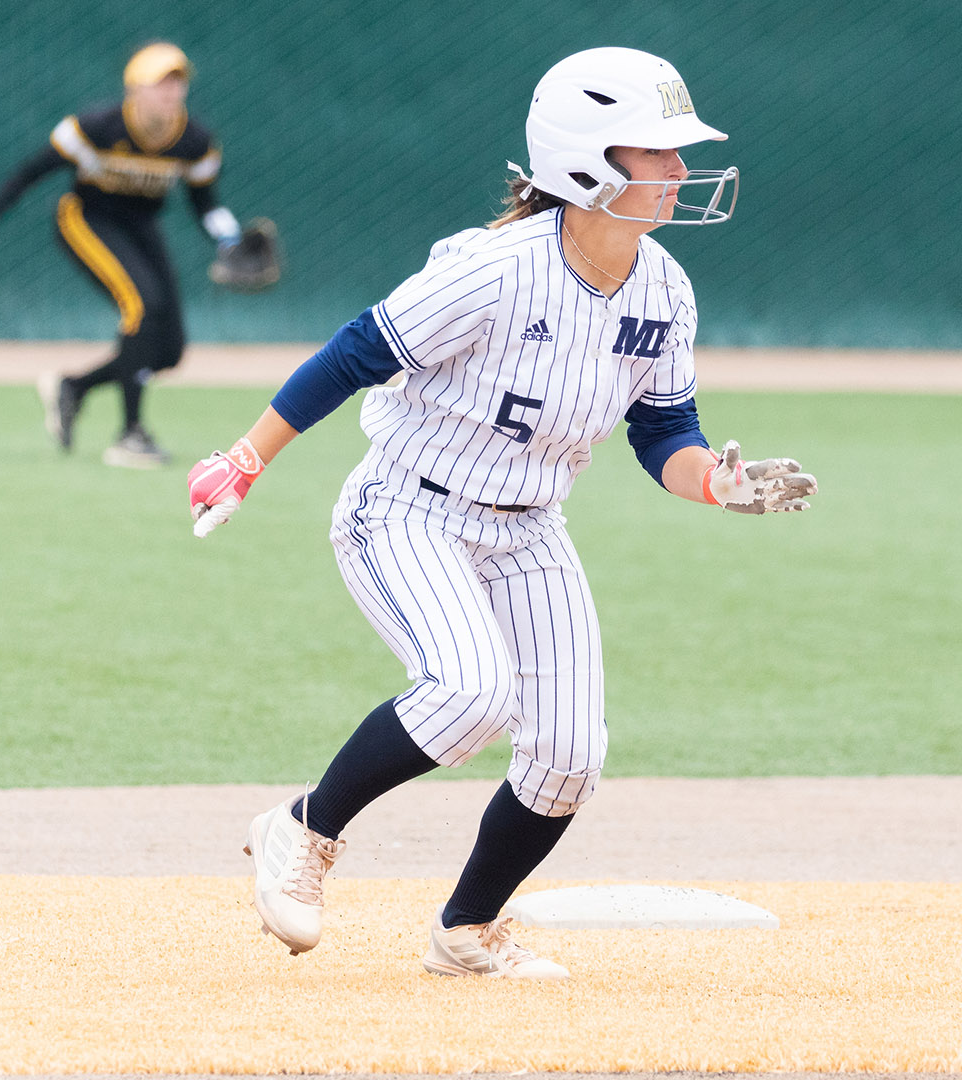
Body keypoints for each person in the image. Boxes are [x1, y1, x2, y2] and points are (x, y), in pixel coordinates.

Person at [188, 47, 817, 978]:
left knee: (570, 753)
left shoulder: (666, 288)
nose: (681, 169)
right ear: (589, 161)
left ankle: (465, 931)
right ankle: (304, 829)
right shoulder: (494, 268)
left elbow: (664, 433)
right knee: (469, 693)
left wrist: (715, 485)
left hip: (529, 526)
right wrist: (246, 458)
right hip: (409, 506)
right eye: (657, 149)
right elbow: (358, 352)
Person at [0, 42, 247, 468]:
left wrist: (230, 240)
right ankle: (130, 435)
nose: (171, 92)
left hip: (141, 227)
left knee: (168, 351)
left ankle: (75, 387)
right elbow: (30, 173)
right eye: (160, 83)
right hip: (86, 220)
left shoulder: (194, 141)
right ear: (134, 89)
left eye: (177, 83)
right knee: (142, 306)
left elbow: (205, 202)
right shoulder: (97, 128)